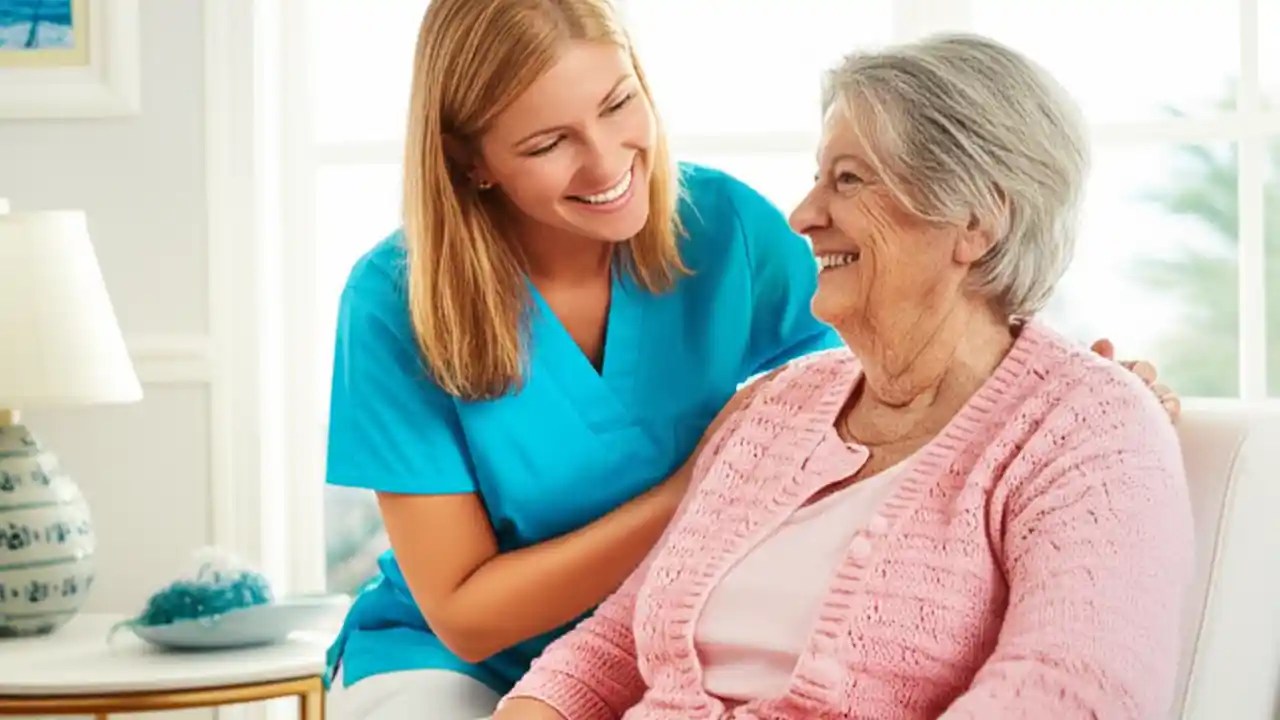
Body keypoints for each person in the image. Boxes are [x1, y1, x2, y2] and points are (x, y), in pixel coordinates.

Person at [323, 1, 1181, 717]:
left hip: (646, 641)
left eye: (620, 103)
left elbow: (915, 354)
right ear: (472, 163)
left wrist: (1099, 397)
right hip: (464, 654)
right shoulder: (396, 301)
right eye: (548, 144)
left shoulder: (718, 227)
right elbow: (474, 614)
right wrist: (696, 486)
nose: (607, 159)